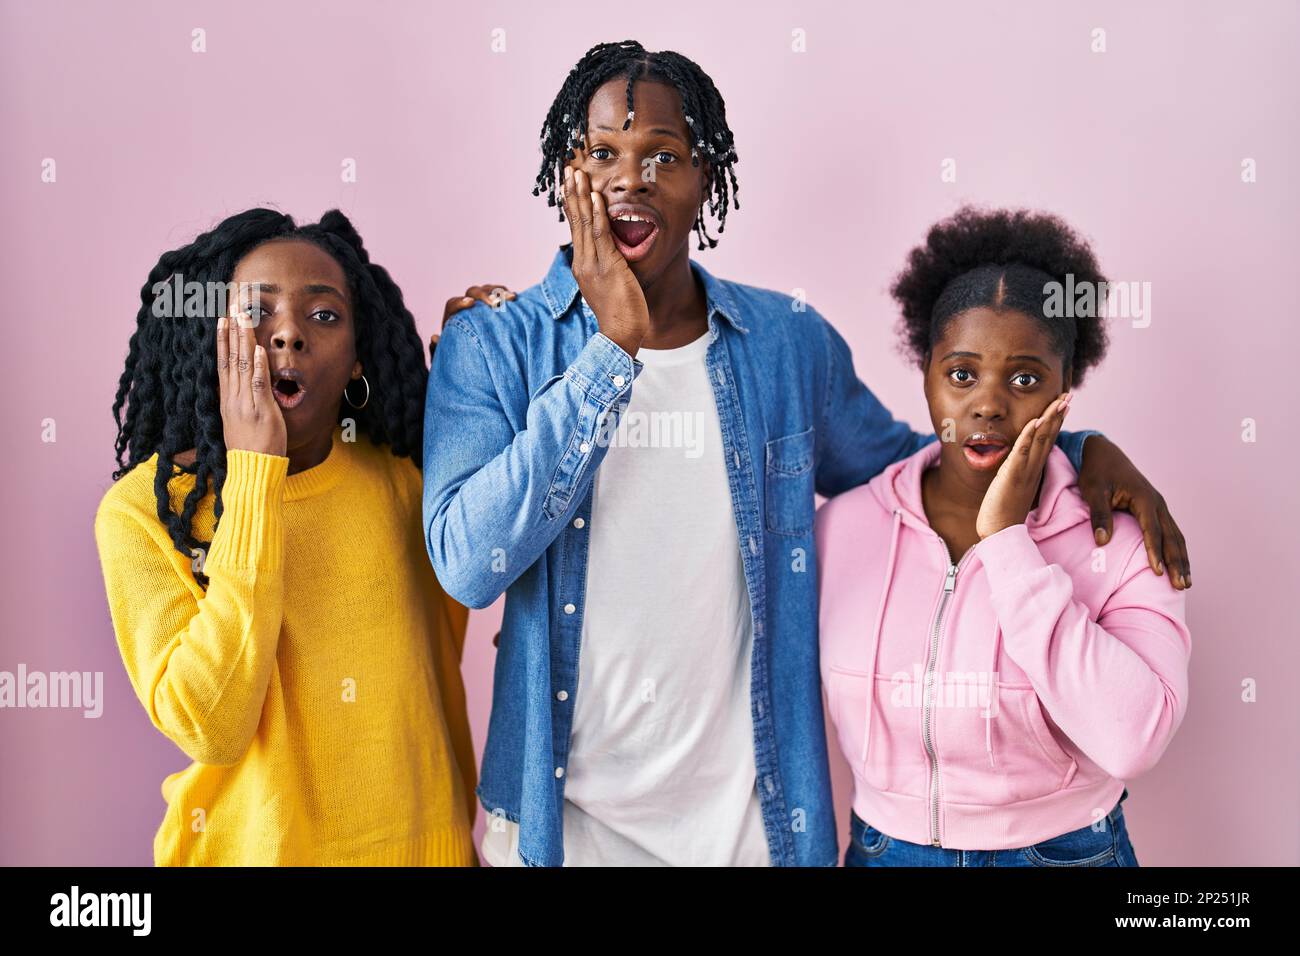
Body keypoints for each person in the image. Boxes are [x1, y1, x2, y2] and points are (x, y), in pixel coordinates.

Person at [422, 41, 1190, 867]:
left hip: (751, 830)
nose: (630, 180)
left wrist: (1076, 445)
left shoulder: (786, 345)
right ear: (568, 173)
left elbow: (920, 467)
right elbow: (469, 565)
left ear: (706, 178)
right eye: (603, 153)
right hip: (555, 826)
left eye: (663, 158)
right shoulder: (492, 347)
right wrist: (612, 351)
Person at [95, 208, 485, 865]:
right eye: (257, 311)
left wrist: (471, 398)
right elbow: (211, 727)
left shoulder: (404, 479)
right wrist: (254, 478)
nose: (288, 336)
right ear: (207, 338)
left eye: (324, 315)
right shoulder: (141, 513)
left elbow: (479, 582)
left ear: (359, 355)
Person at [815, 206, 1191, 866]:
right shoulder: (842, 528)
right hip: (884, 851)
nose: (987, 404)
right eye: (961, 374)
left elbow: (1135, 740)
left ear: (1064, 388)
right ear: (926, 373)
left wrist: (1008, 542)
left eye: (1024, 378)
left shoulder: (1122, 538)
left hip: (1065, 852)